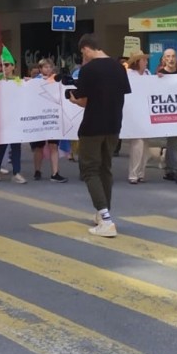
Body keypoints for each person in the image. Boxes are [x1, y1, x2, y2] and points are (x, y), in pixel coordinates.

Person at [67, 34, 131, 237]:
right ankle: (103, 213)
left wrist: (74, 100)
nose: (83, 56)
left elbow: (85, 100)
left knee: (89, 170)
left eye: (82, 52)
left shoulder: (88, 70)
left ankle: (105, 219)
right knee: (106, 169)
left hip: (93, 125)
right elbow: (121, 95)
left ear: (86, 49)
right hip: (114, 125)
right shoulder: (119, 67)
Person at [0, 53, 27, 184]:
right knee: (2, 145)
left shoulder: (18, 81)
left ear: (13, 67)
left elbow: (23, 94)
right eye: (2, 65)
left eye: (7, 65)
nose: (4, 67)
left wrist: (28, 84)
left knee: (16, 146)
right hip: (3, 118)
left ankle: (16, 172)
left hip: (15, 118)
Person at [30, 59, 67, 182]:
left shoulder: (56, 80)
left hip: (52, 118)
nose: (47, 69)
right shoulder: (35, 82)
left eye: (49, 67)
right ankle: (37, 171)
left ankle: (55, 173)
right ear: (40, 69)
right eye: (45, 67)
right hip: (39, 118)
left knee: (53, 146)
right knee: (39, 147)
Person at [155, 48, 177, 185]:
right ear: (163, 59)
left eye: (173, 56)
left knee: (174, 143)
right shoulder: (159, 75)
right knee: (170, 144)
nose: (171, 59)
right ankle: (169, 170)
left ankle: (176, 171)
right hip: (164, 114)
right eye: (168, 56)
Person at [123, 53, 151, 184]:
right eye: (143, 59)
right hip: (132, 113)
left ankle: (141, 172)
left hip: (145, 113)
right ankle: (133, 174)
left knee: (145, 145)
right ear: (137, 62)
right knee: (137, 143)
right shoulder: (128, 74)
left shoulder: (147, 74)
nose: (146, 62)